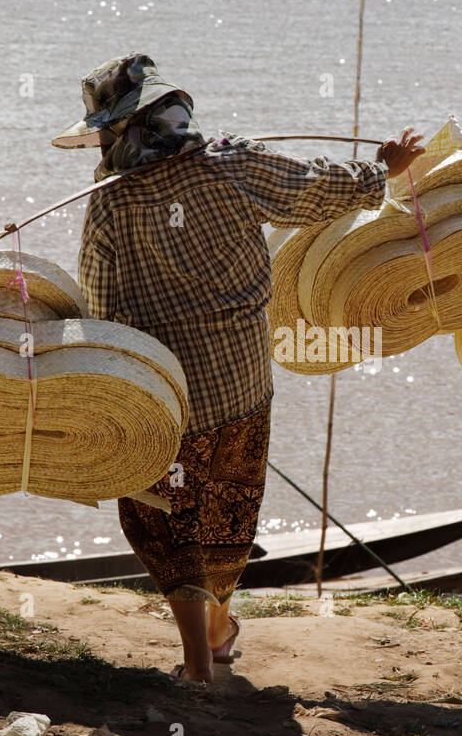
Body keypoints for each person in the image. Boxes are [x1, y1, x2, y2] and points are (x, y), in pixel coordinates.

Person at [53, 52, 425, 682]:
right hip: (237, 385)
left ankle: (202, 656)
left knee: (164, 517)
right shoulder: (231, 162)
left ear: (115, 132)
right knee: (224, 513)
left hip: (162, 393)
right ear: (174, 113)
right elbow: (312, 193)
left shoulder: (110, 201)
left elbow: (101, 303)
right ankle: (216, 639)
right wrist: (382, 170)